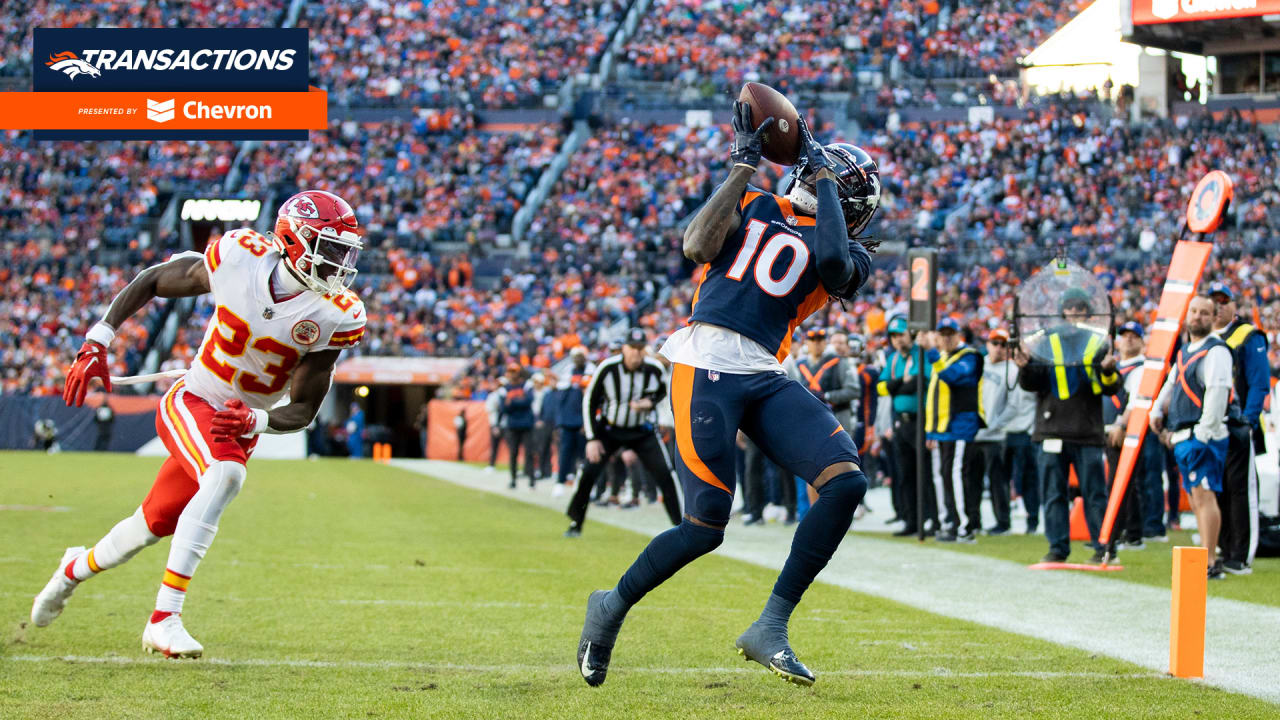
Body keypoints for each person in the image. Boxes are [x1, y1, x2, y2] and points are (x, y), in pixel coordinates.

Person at [575, 107, 876, 687]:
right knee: (704, 527)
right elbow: (695, 244)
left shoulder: (852, 249)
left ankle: (771, 625)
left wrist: (822, 186)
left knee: (846, 480)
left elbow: (835, 264)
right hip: (706, 361)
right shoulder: (759, 201)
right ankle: (609, 606)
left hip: (764, 369)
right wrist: (741, 169)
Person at [32, 190, 366, 658]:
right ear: (293, 238)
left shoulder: (335, 313)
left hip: (236, 427)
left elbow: (305, 407)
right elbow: (152, 280)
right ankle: (164, 617)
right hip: (194, 398)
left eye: (343, 252)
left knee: (148, 526)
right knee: (226, 473)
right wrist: (97, 340)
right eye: (329, 249)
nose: (338, 263)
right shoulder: (240, 257)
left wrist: (258, 419)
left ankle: (72, 569)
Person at [1014, 287, 1120, 564]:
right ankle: (1057, 548)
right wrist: (1024, 366)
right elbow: (1031, 383)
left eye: (1079, 308)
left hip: (1087, 431)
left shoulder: (1098, 343)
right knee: (1053, 493)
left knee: (1095, 492)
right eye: (1070, 308)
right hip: (1051, 430)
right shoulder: (1044, 342)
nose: (1074, 313)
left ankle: (1103, 545)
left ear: (1088, 312)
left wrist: (1108, 371)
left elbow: (1110, 387)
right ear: (1061, 311)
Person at [564, 328, 680, 536]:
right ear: (624, 349)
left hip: (641, 430)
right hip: (610, 429)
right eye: (632, 348)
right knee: (589, 473)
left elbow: (663, 391)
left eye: (639, 348)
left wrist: (649, 402)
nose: (636, 353)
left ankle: (680, 526)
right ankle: (576, 522)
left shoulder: (654, 369)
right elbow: (590, 400)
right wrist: (592, 438)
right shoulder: (608, 368)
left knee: (665, 474)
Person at [1149, 296, 1234, 580]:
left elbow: (1217, 393)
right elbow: (1173, 382)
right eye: (1194, 311)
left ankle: (1211, 559)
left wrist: (1204, 433)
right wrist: (1156, 409)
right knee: (1195, 496)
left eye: (1204, 313)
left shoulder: (1217, 351)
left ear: (1213, 317)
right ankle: (1205, 554)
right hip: (1184, 433)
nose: (1197, 317)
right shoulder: (1186, 350)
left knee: (1204, 494)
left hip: (1202, 434)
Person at [1208, 282, 1269, 574]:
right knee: (1215, 488)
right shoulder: (1201, 337)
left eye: (1223, 301)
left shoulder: (1247, 335)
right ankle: (1222, 545)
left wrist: (1247, 419)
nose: (1218, 306)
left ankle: (1240, 554)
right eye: (1213, 301)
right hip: (1209, 425)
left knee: (1239, 489)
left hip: (1236, 425)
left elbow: (1259, 381)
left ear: (1233, 305)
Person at [923, 319, 985, 542]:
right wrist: (930, 431)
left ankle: (965, 526)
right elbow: (934, 399)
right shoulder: (944, 358)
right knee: (945, 477)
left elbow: (953, 378)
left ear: (959, 335)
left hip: (961, 425)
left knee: (957, 475)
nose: (947, 338)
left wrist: (931, 352)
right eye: (943, 334)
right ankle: (950, 521)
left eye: (951, 334)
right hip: (943, 428)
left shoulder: (970, 357)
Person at [877, 315, 935, 536]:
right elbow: (881, 388)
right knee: (905, 473)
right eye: (893, 336)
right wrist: (903, 383)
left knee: (925, 472)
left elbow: (923, 380)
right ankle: (911, 519)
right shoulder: (892, 359)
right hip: (900, 420)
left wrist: (895, 386)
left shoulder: (920, 354)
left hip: (920, 419)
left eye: (900, 334)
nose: (897, 340)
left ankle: (929, 518)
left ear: (910, 333)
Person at [1103, 321, 1147, 551]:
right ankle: (1128, 532)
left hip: (1124, 430)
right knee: (1120, 482)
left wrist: (1121, 424)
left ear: (1141, 341)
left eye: (1134, 335)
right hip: (1108, 428)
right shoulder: (1116, 366)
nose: (1128, 339)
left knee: (1123, 483)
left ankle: (1127, 532)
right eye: (1125, 335)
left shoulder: (1141, 368)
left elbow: (1136, 402)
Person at [973, 329, 1015, 535]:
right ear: (987, 344)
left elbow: (1014, 406)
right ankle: (973, 520)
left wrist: (996, 424)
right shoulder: (976, 364)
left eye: (1003, 344)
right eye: (995, 343)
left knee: (998, 481)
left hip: (995, 435)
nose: (998, 348)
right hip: (973, 433)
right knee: (972, 481)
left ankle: (1003, 522)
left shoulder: (1011, 369)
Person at [552, 346, 593, 498]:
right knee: (565, 453)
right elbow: (560, 401)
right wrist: (559, 423)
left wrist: (587, 422)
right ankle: (560, 481)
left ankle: (582, 484)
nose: (578, 359)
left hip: (583, 421)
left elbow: (592, 400)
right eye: (575, 356)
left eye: (580, 356)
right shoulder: (567, 373)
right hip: (568, 422)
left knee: (584, 455)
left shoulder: (591, 371)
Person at [499, 362, 535, 489]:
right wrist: (519, 401)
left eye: (514, 371)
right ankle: (513, 479)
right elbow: (504, 408)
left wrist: (512, 402)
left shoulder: (526, 385)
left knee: (529, 453)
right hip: (513, 425)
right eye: (510, 371)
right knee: (513, 453)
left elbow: (529, 401)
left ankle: (531, 479)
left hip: (526, 424)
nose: (512, 374)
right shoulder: (505, 388)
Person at [531, 372, 556, 482]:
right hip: (537, 422)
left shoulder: (547, 393)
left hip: (547, 423)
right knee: (539, 448)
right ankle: (538, 469)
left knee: (546, 448)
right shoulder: (531, 393)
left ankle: (546, 470)